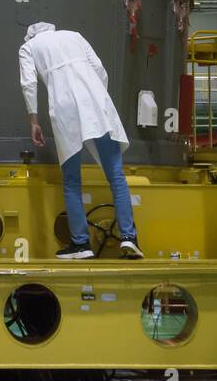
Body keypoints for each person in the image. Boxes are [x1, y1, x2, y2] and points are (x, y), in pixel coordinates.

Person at [18, 22, 143, 260]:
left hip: (65, 108)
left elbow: (29, 83)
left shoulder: (29, 47)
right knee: (115, 174)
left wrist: (34, 120)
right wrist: (97, 98)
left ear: (30, 36)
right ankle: (129, 237)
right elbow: (100, 69)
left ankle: (81, 244)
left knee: (72, 180)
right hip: (95, 102)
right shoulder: (74, 35)